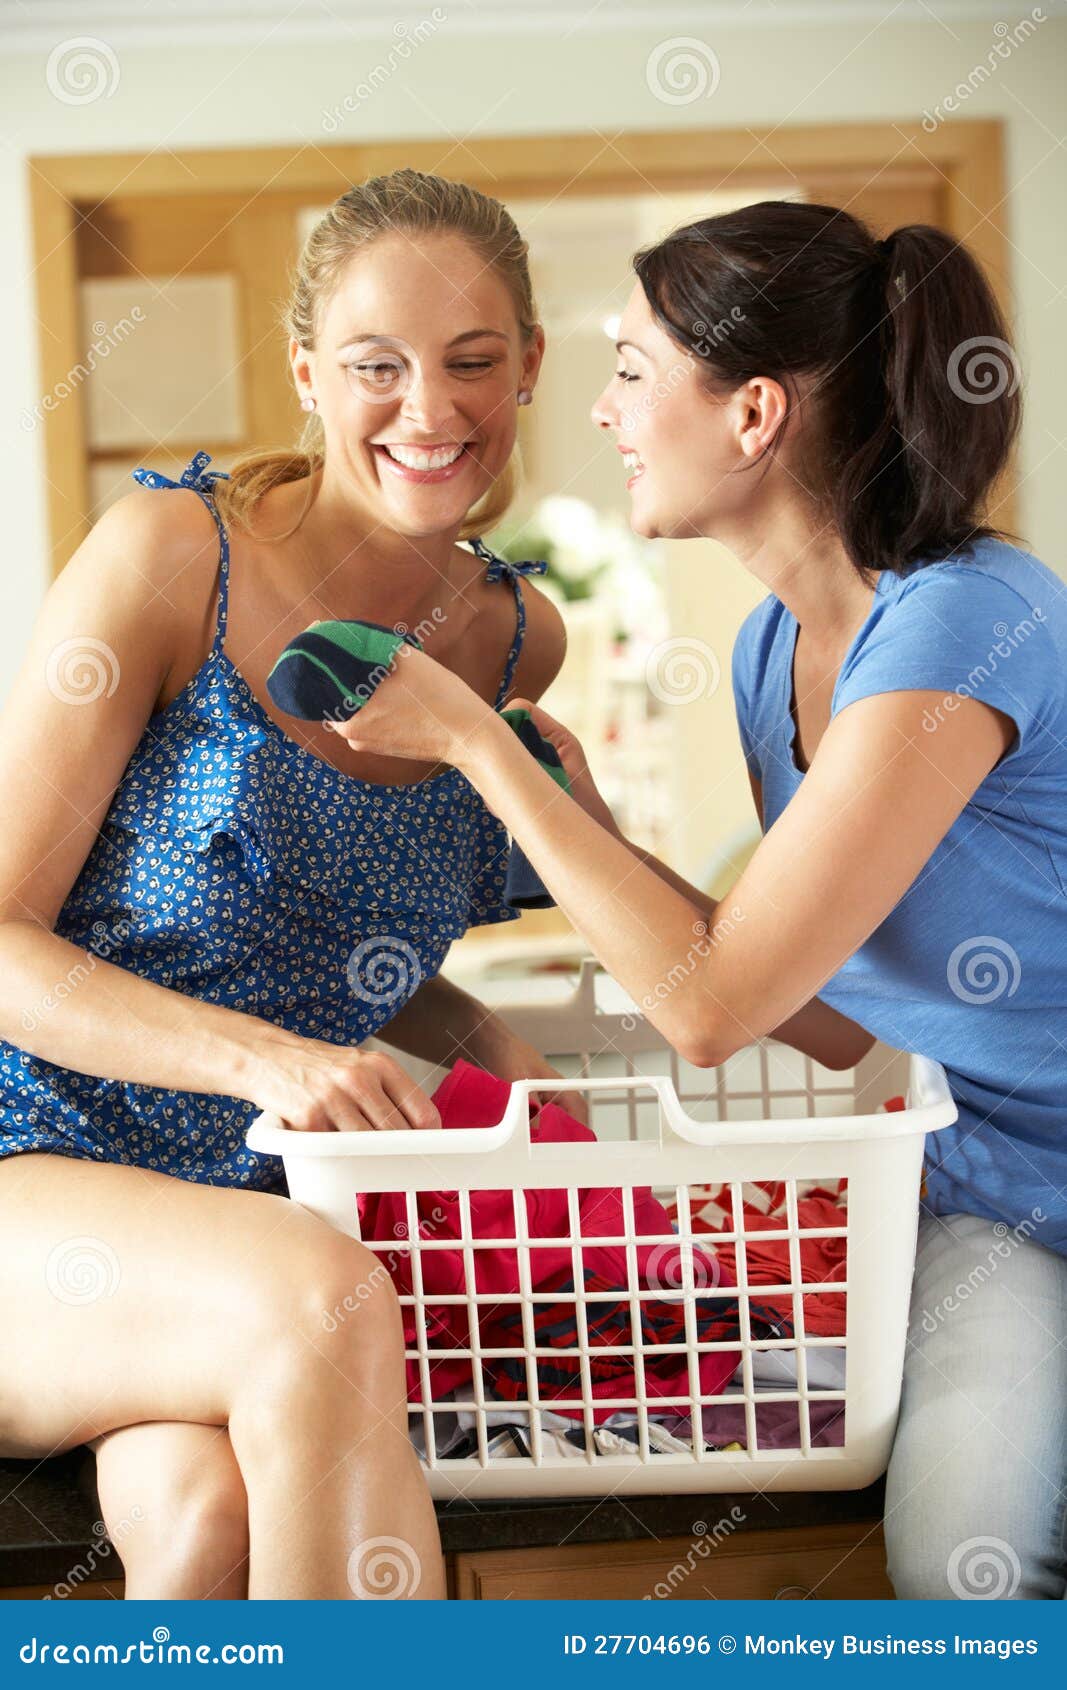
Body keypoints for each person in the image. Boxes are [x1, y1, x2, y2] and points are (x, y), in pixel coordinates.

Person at [336, 200, 1067, 1600]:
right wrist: (593, 825)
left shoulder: (968, 618)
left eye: (628, 370)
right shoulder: (770, 649)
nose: (602, 413)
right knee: (959, 1566)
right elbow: (825, 1014)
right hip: (994, 1204)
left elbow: (715, 1010)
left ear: (753, 415)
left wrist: (482, 750)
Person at [0, 168, 569, 1600]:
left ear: (531, 370)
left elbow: (337, 940)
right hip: (37, 1180)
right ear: (310, 373)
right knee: (322, 1305)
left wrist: (506, 1071)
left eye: (472, 362)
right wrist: (273, 1061)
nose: (429, 410)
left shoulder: (515, 646)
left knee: (208, 1529)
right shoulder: (169, 558)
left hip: (248, 1222)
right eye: (377, 365)